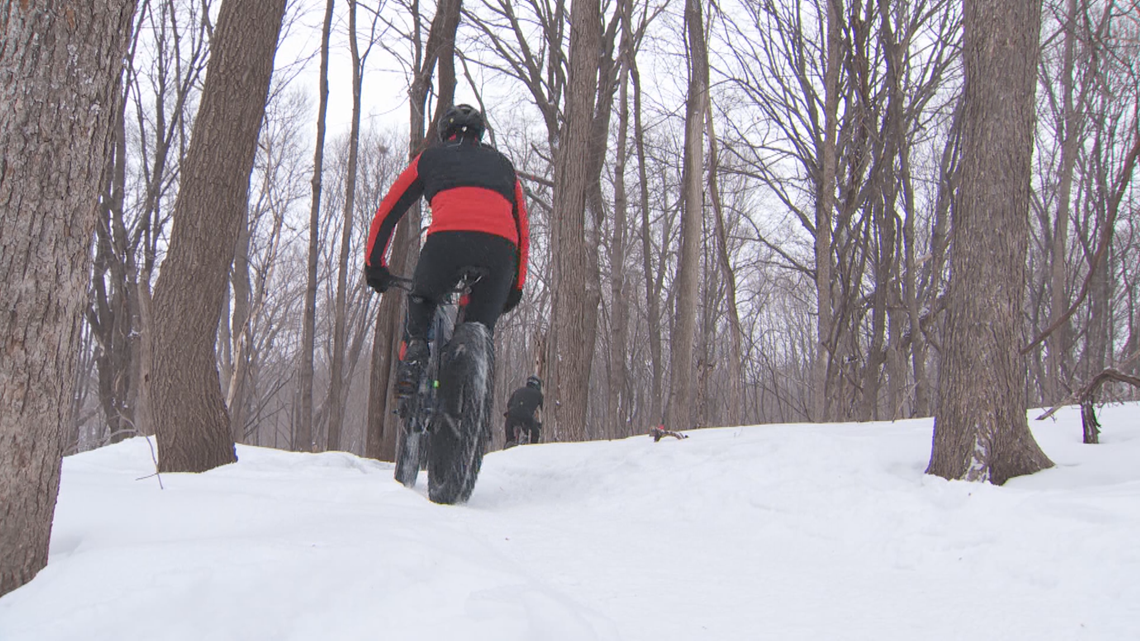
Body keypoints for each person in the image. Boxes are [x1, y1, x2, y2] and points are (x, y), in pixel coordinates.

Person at [363, 104, 529, 399]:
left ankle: (415, 350)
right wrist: (515, 286)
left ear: (444, 134)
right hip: (500, 252)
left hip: (447, 244)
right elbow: (522, 232)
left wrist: (375, 263)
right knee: (478, 328)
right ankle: (470, 405)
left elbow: (388, 211)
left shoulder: (430, 159)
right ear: (480, 135)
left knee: (423, 298)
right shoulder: (504, 166)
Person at [504, 375, 544, 447]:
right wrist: (539, 424)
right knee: (535, 432)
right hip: (526, 416)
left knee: (509, 422)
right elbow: (543, 407)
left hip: (512, 413)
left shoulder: (518, 391)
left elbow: (509, 404)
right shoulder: (538, 394)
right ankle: (532, 447)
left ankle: (509, 441)